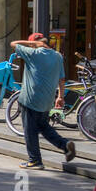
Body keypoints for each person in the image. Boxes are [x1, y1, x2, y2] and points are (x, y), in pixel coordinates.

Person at [10, 32, 76, 169]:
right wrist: (60, 97)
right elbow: (62, 79)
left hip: (31, 98)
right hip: (47, 99)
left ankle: (35, 160)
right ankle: (65, 145)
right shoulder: (58, 56)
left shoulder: (34, 53)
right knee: (43, 126)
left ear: (34, 44)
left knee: (30, 130)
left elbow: (13, 44)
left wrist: (32, 44)